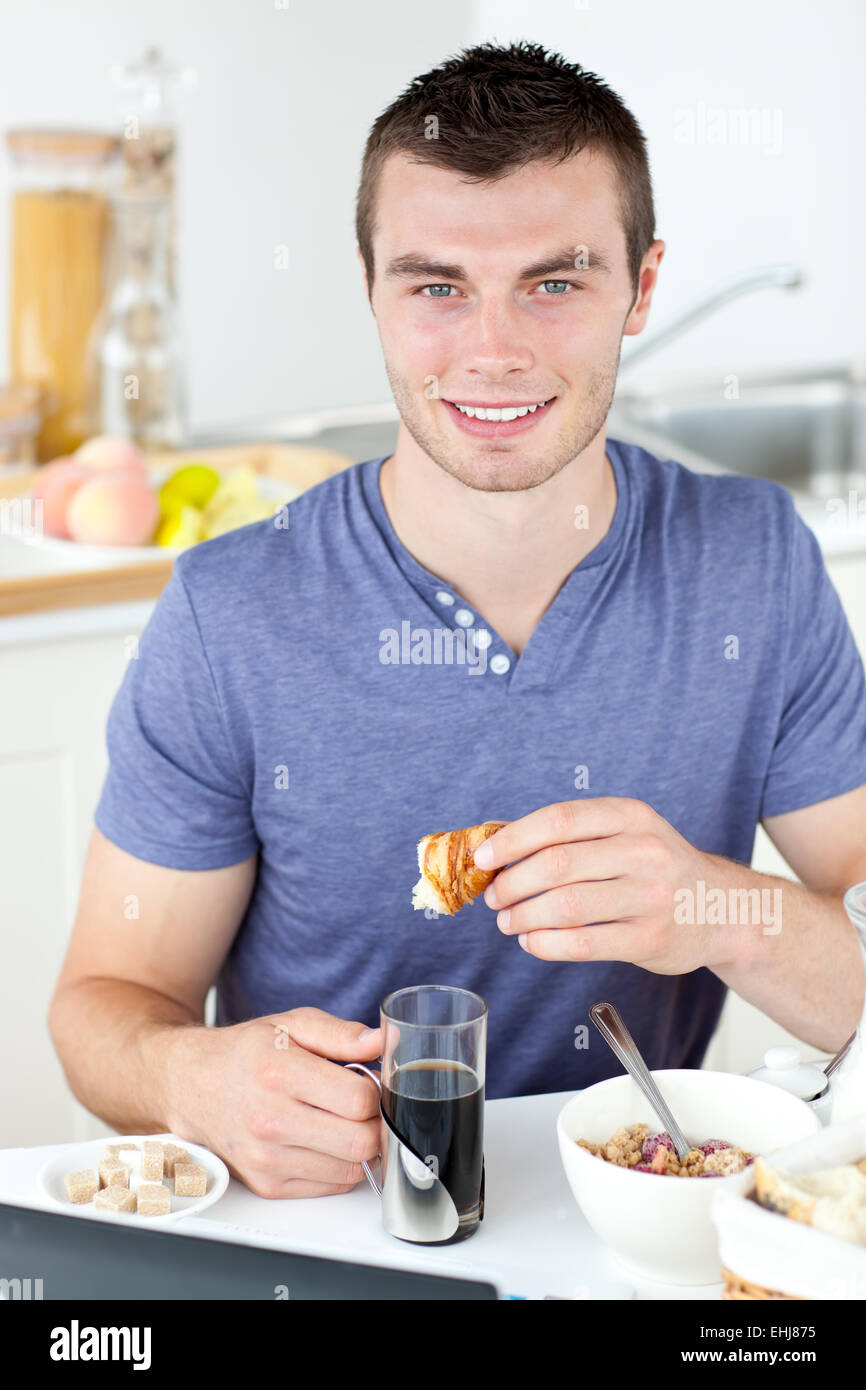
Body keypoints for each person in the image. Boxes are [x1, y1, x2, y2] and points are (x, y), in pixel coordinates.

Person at [49, 41, 866, 1200]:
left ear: (639, 287)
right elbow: (101, 1007)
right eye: (436, 285)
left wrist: (721, 914)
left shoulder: (753, 567)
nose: (491, 350)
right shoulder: (231, 611)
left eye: (554, 281)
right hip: (327, 1233)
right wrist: (193, 1080)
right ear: (372, 288)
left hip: (632, 1225)